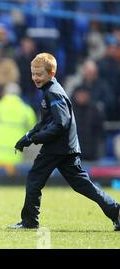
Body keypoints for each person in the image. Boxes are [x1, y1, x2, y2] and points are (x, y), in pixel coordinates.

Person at [11, 53, 120, 231]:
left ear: (51, 73)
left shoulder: (53, 93)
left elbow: (61, 123)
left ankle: (29, 221)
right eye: (33, 73)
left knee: (34, 180)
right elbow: (47, 122)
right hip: (65, 147)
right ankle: (116, 211)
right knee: (83, 185)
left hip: (57, 148)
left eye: (39, 74)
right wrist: (28, 136)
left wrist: (34, 138)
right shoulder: (51, 90)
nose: (35, 78)